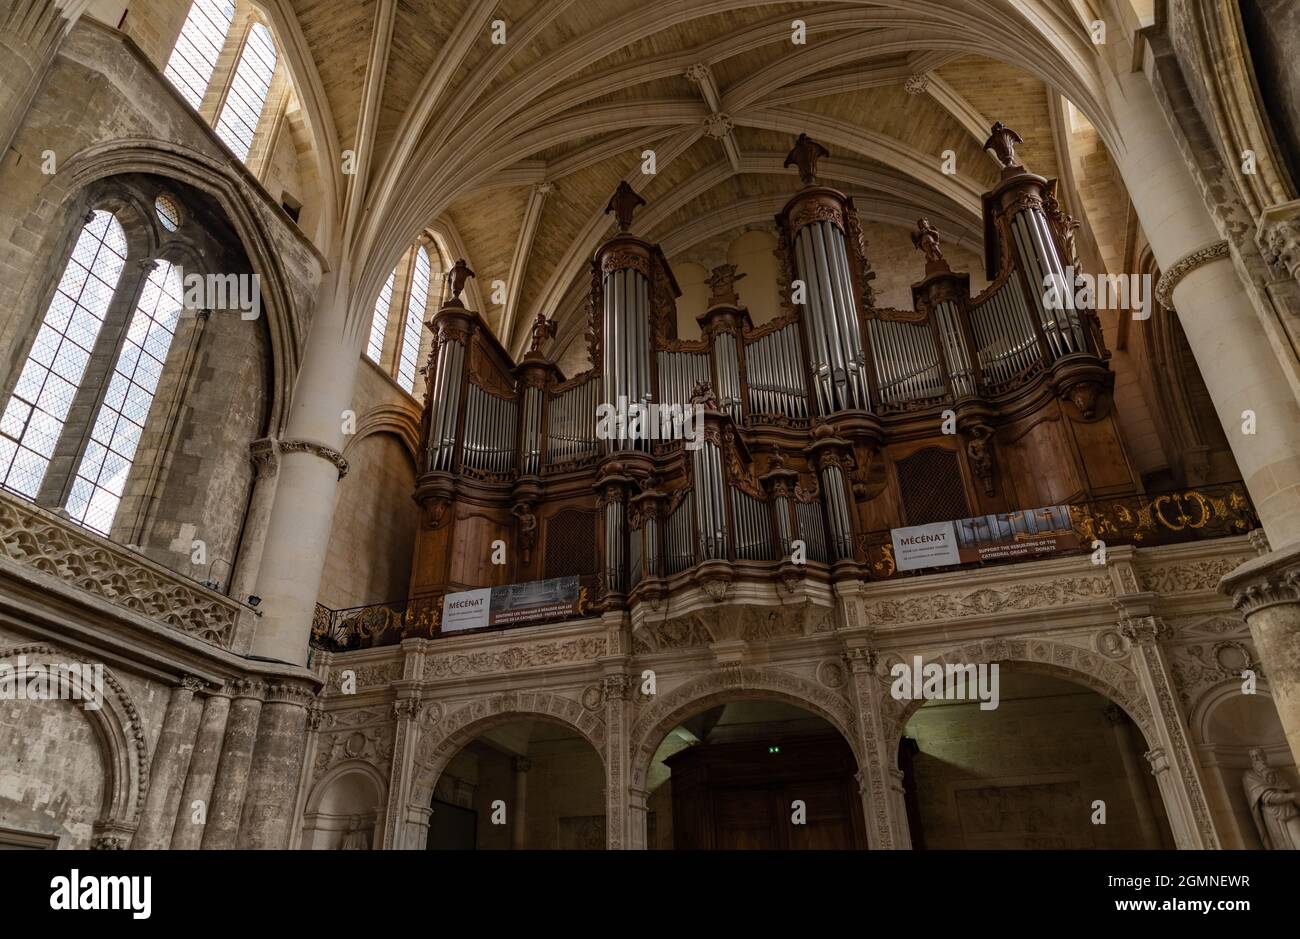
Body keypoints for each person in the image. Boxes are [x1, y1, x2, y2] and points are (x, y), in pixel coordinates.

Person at [1241, 747, 1300, 849]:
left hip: (1290, 811)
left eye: (1258, 755)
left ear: (1264, 756)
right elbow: (1268, 797)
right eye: (1253, 757)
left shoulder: (1277, 773)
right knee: (1284, 845)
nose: (1256, 759)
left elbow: (1285, 788)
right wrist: (1292, 796)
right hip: (1272, 816)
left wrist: (1293, 797)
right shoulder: (1249, 776)